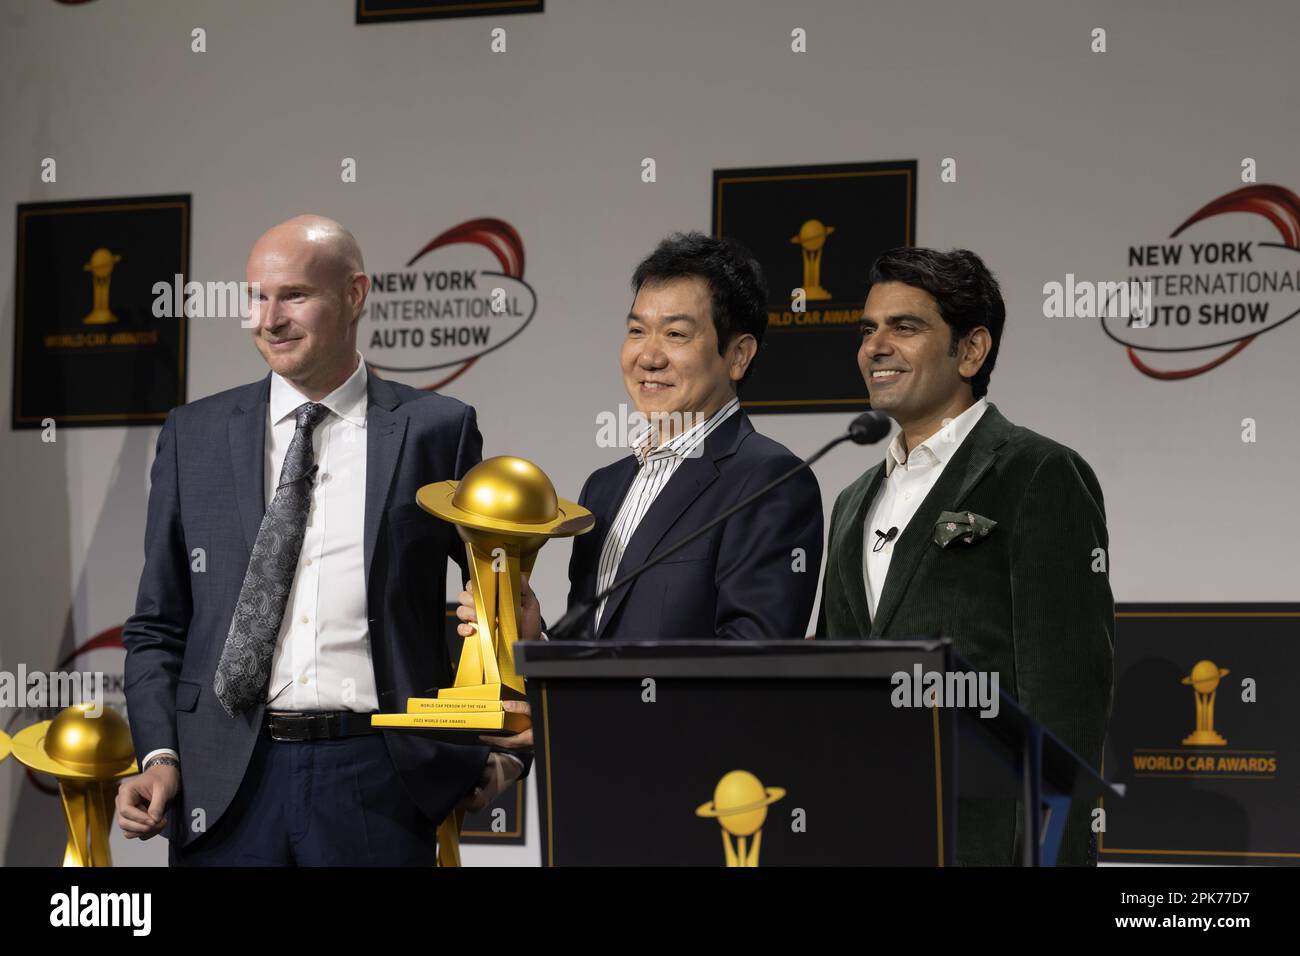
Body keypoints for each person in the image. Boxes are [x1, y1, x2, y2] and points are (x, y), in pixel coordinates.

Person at [117, 215, 521, 865]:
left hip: (379, 781)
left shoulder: (436, 431)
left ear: (355, 294)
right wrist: (160, 753)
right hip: (221, 783)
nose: (268, 319)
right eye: (256, 297)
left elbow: (500, 607)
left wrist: (505, 751)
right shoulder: (193, 435)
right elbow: (158, 625)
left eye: (295, 296)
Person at [457, 232, 824, 751]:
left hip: (696, 798)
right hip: (586, 794)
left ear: (738, 355)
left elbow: (747, 670)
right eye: (636, 330)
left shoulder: (769, 482)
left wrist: (577, 723)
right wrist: (534, 638)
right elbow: (599, 652)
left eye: (676, 334)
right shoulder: (605, 487)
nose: (647, 356)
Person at [816, 247, 1114, 866]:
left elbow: (1066, 693)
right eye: (867, 329)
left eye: (905, 326)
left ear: (971, 351)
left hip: (986, 842)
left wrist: (1050, 852)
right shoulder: (850, 501)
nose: (875, 346)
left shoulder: (1038, 473)